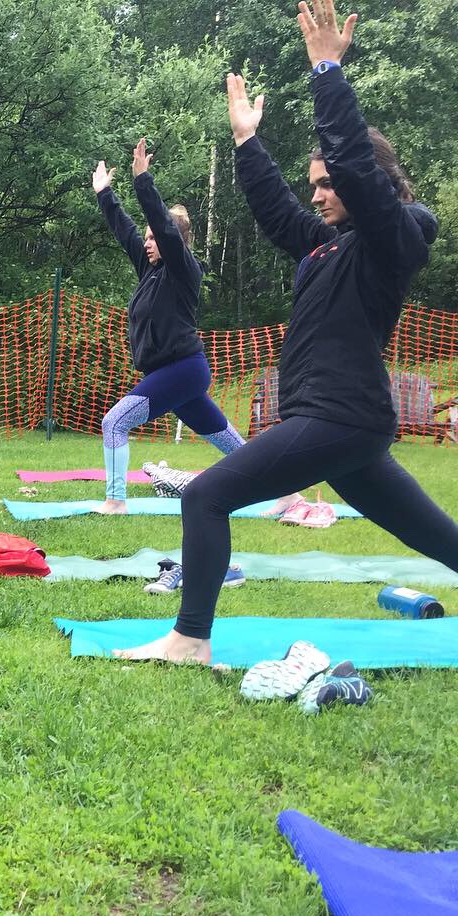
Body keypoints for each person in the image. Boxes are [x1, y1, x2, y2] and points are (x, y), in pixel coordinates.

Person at [118, 0, 458, 664]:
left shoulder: (393, 237)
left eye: (330, 184)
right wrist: (247, 141)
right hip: (348, 426)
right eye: (316, 185)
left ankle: (189, 640)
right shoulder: (328, 245)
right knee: (436, 535)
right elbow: (277, 210)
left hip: (340, 416)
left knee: (207, 496)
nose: (322, 194)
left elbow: (357, 166)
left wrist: (327, 70)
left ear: (376, 186)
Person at [92, 139, 245, 514]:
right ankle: (288, 492)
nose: (146, 243)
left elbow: (162, 223)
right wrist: (105, 193)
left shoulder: (182, 269)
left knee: (114, 422)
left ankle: (115, 501)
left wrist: (143, 180)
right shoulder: (150, 269)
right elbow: (124, 230)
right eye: (146, 239)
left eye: (153, 238)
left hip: (181, 369)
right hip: (178, 376)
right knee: (230, 444)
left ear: (171, 241)